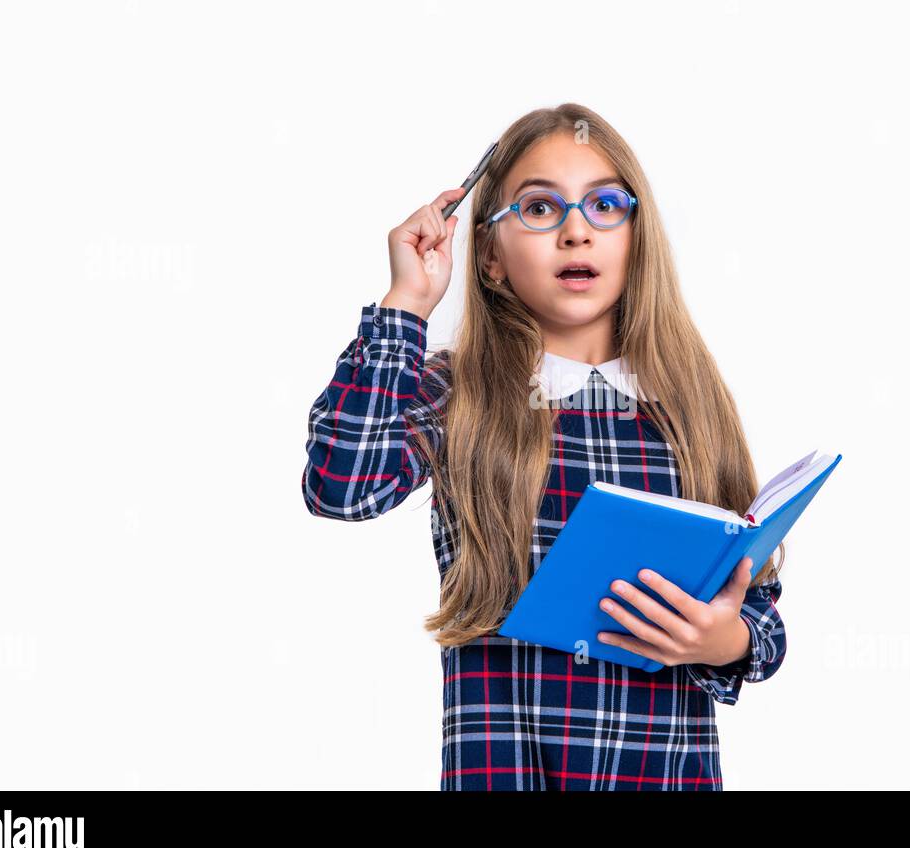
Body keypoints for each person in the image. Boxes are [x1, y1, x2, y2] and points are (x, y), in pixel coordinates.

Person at [302, 103, 788, 790]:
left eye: (604, 205)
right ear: (491, 257)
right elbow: (342, 486)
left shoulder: (688, 408)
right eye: (538, 209)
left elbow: (760, 614)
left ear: (636, 239)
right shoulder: (457, 390)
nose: (575, 231)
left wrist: (724, 641)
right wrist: (406, 306)